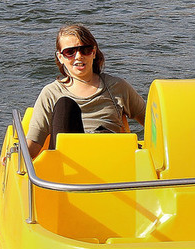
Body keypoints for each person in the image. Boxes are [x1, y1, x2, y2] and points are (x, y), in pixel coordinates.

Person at [25, 24, 146, 157]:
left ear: (93, 53)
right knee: (65, 105)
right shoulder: (51, 93)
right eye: (70, 52)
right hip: (67, 165)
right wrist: (15, 158)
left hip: (108, 159)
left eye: (85, 50)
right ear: (60, 57)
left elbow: (152, 122)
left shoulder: (117, 86)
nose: (78, 56)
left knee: (103, 133)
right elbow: (34, 142)